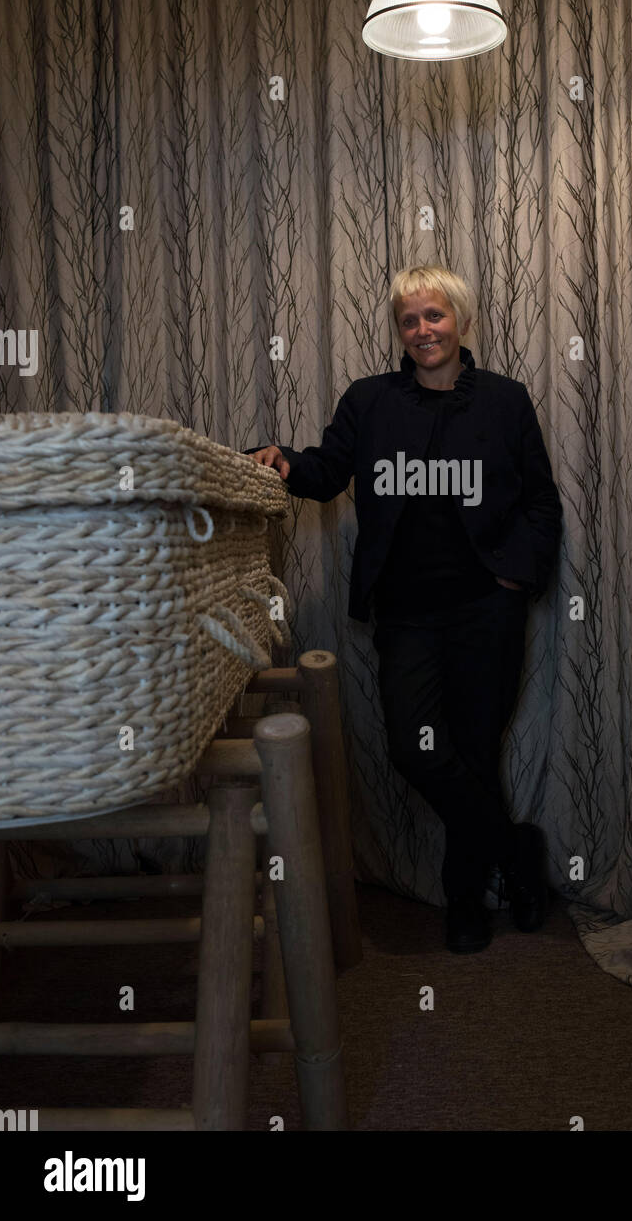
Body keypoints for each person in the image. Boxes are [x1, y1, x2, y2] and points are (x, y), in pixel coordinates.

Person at [244, 266, 562, 953]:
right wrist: (284, 462)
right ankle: (517, 853)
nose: (422, 330)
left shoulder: (505, 402)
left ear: (461, 321)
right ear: (399, 331)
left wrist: (517, 580)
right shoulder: (370, 401)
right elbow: (328, 472)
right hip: (407, 613)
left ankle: (465, 901)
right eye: (409, 320)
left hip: (486, 610)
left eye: (434, 316)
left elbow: (541, 502)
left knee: (476, 752)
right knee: (413, 748)